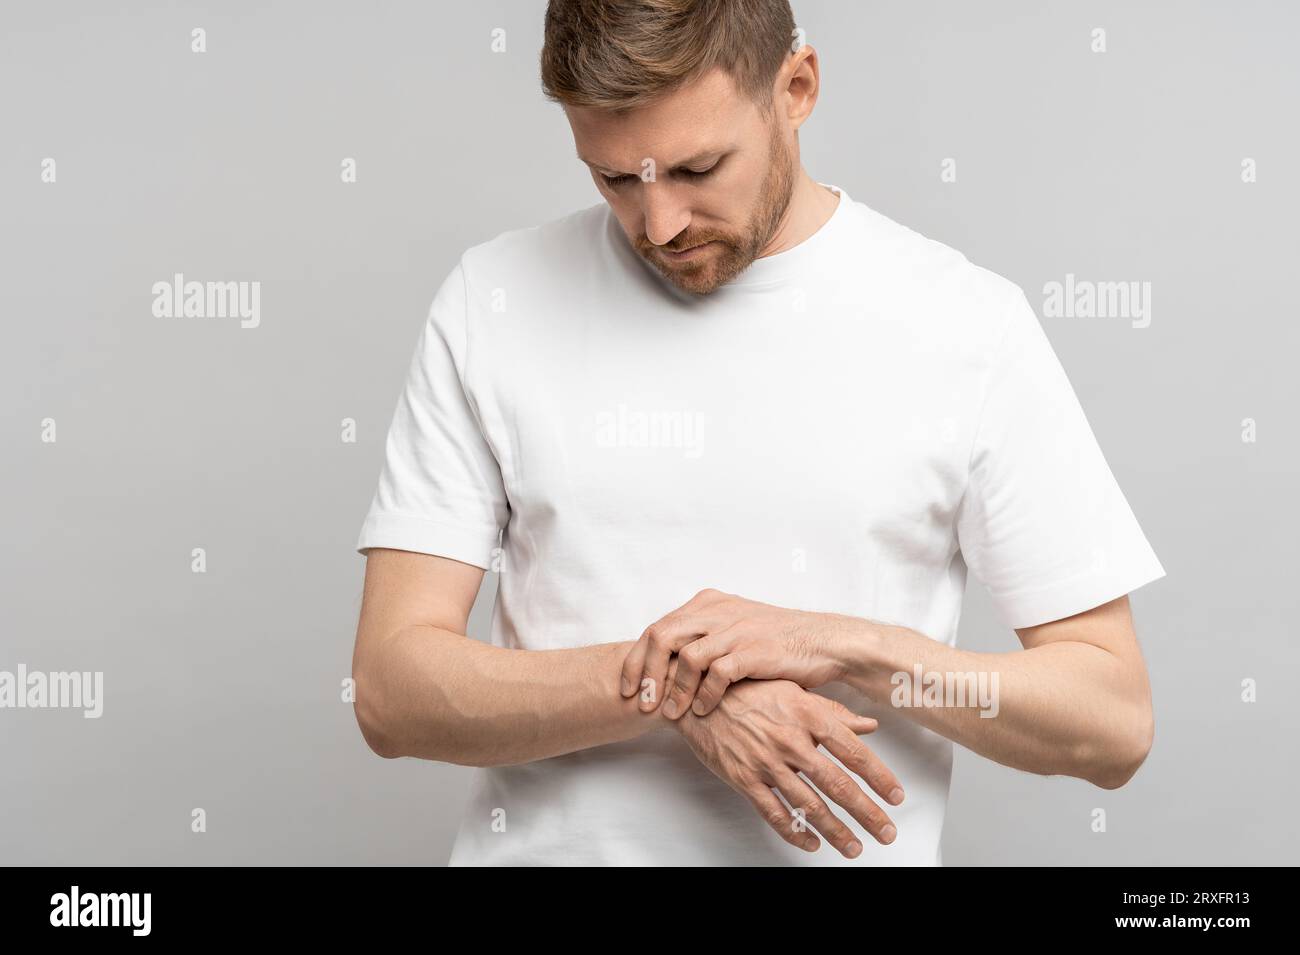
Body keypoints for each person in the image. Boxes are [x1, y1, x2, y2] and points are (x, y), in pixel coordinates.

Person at [350, 0, 1165, 866]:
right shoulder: (494, 300)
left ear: (798, 87)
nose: (659, 225)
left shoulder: (966, 324)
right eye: (615, 178)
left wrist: (840, 644)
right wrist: (679, 688)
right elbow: (392, 690)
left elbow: (1111, 720)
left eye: (699, 167)